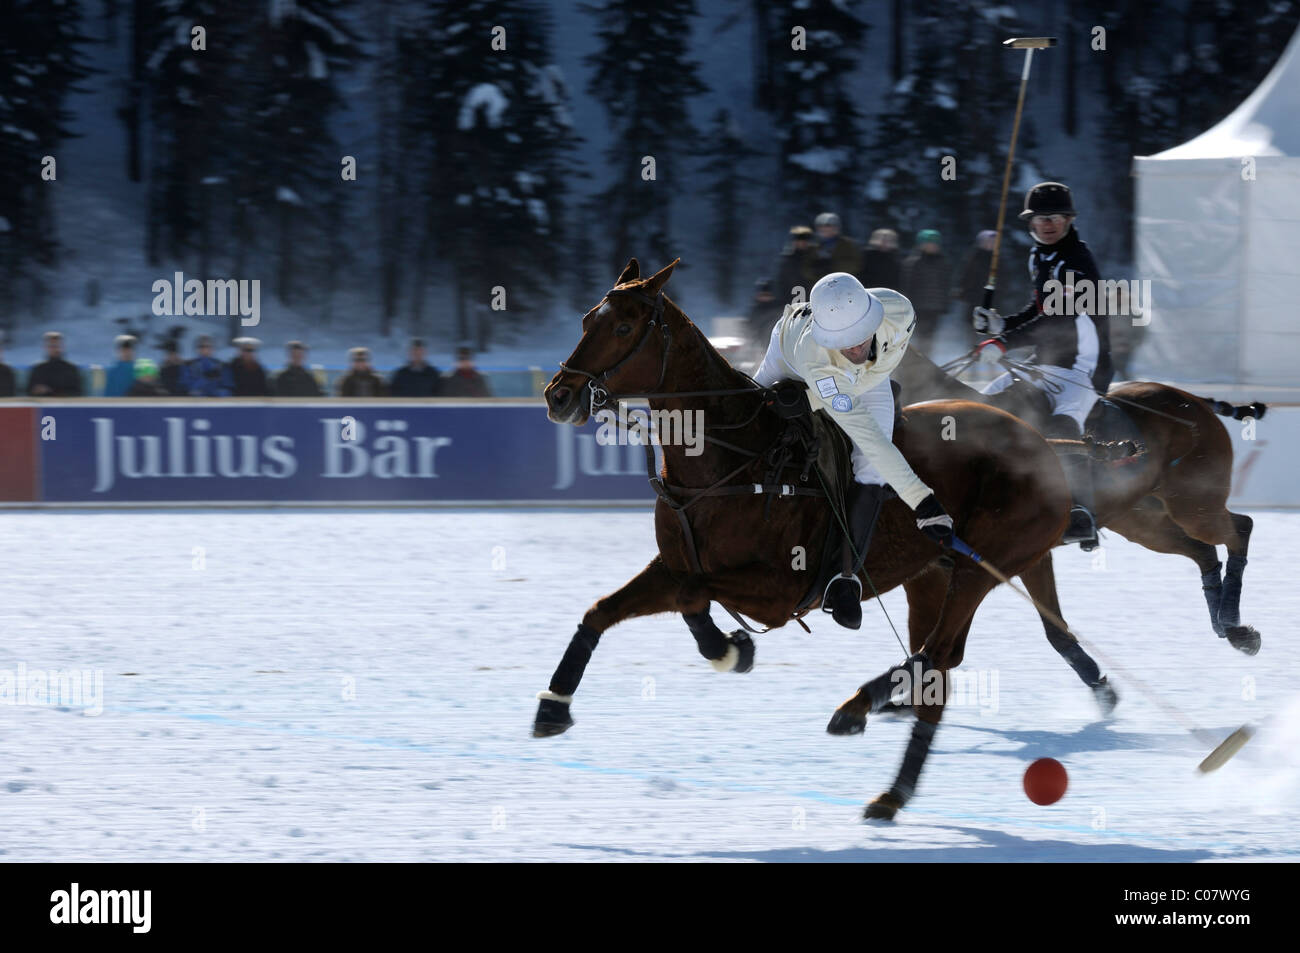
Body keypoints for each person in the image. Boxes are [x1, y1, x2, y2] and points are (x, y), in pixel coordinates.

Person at [752, 272, 954, 630]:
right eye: (842, 342)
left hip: (864, 384)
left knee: (872, 469)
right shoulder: (818, 359)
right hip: (789, 354)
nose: (854, 348)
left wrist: (818, 397)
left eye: (859, 338)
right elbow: (866, 432)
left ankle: (843, 578)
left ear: (875, 318)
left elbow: (873, 437)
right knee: (753, 420)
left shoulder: (900, 310)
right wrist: (923, 501)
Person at [971, 182, 1112, 551]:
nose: (1046, 224)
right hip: (1043, 363)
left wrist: (1004, 342)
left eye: (1055, 218)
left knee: (1064, 424)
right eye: (1039, 219)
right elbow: (1041, 311)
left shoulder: (1077, 262)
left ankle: (1082, 513)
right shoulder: (1039, 257)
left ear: (1068, 220)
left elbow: (1061, 320)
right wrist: (1003, 325)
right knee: (981, 405)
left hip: (1083, 368)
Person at [901, 229, 951, 355]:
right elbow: (906, 285)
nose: (932, 246)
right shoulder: (913, 261)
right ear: (920, 244)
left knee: (929, 339)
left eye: (935, 243)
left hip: (935, 307)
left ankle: (925, 364)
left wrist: (945, 304)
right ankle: (912, 365)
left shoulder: (943, 262)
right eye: (928, 243)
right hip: (917, 307)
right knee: (914, 338)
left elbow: (946, 285)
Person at [952, 230, 998, 322]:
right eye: (987, 241)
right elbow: (966, 275)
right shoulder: (974, 257)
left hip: (993, 299)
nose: (990, 244)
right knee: (972, 321)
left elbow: (1004, 279)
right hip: (974, 297)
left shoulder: (997, 259)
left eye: (993, 242)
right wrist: (963, 289)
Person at [809, 212, 863, 282]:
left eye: (828, 226)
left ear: (836, 227)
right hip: (819, 285)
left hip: (842, 284)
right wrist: (815, 270)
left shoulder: (848, 244)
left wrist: (832, 265)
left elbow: (856, 264)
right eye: (820, 226)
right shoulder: (813, 246)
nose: (824, 229)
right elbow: (805, 268)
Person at [27, 331, 84, 396]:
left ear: (63, 347)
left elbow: (77, 393)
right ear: (45, 347)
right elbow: (29, 392)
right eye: (51, 346)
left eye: (57, 346)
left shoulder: (71, 369)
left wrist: (51, 391)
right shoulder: (38, 369)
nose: (55, 349)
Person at [775, 225, 817, 305]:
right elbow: (781, 284)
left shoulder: (816, 257)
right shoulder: (787, 261)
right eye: (798, 240)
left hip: (814, 299)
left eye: (804, 240)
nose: (801, 243)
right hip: (793, 301)